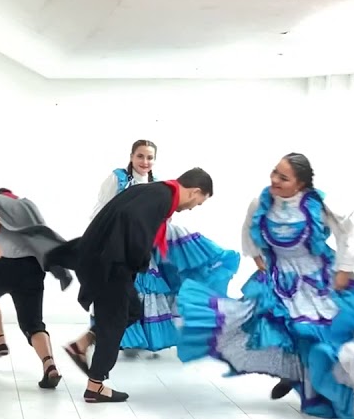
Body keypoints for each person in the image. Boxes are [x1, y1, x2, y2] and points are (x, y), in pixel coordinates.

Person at [175, 153, 354, 419]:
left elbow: (349, 231)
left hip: (321, 277)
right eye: (274, 172)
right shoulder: (260, 202)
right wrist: (257, 256)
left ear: (301, 184)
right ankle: (308, 385)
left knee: (336, 336)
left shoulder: (319, 203)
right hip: (283, 280)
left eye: (283, 177)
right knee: (284, 331)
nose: (274, 179)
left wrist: (344, 269)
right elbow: (249, 228)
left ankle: (336, 389)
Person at [51, 168, 218, 403]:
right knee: (115, 322)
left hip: (107, 261)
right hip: (112, 265)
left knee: (132, 312)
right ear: (195, 192)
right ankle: (95, 385)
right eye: (198, 203)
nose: (192, 208)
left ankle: (82, 344)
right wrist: (137, 262)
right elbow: (134, 228)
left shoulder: (154, 192)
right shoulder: (160, 199)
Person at [64, 140, 239, 363]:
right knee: (120, 310)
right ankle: (95, 377)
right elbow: (105, 212)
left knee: (128, 310)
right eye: (140, 156)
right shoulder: (134, 184)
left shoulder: (159, 188)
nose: (145, 161)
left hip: (133, 252)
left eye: (149, 157)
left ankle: (88, 351)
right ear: (131, 157)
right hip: (119, 253)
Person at [0, 188, 74, 389]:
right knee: (34, 324)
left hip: (0, 267)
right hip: (31, 269)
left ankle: (0, 341)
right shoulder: (28, 207)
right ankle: (49, 364)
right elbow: (43, 235)